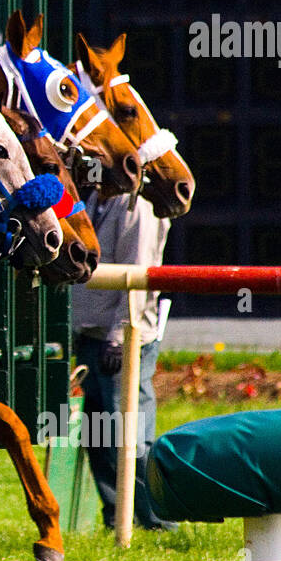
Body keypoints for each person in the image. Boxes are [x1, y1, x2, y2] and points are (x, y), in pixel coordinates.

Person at [70, 191, 175, 531]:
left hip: (126, 338)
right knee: (97, 435)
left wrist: (118, 337)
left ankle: (160, 521)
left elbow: (138, 275)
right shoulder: (94, 194)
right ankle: (117, 517)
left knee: (131, 435)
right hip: (91, 336)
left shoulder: (140, 205)